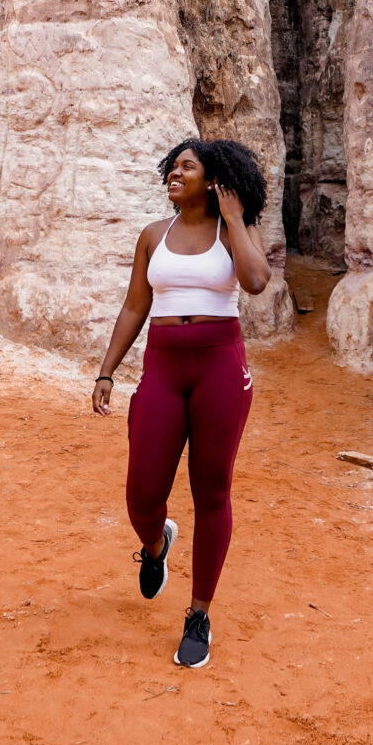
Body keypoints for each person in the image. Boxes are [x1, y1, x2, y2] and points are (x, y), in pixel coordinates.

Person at [91, 137, 270, 669]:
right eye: (173, 165)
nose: (175, 171)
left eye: (187, 166)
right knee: (142, 493)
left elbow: (257, 281)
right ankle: (154, 544)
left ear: (213, 179)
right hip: (163, 369)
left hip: (219, 367)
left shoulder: (232, 230)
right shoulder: (153, 236)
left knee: (212, 491)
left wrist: (236, 216)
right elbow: (133, 306)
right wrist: (106, 371)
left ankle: (199, 615)